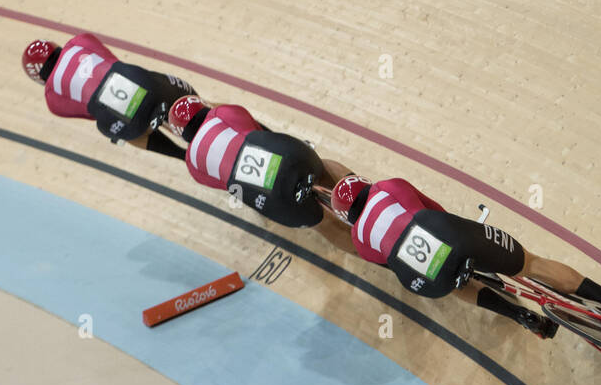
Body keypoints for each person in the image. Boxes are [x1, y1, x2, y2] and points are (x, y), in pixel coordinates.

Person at [330, 174, 601, 339]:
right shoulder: (390, 185)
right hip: (450, 234)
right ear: (366, 184)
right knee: (531, 264)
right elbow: (439, 212)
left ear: (347, 216)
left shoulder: (359, 241)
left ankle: (522, 317)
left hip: (424, 281)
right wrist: (471, 240)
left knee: (458, 285)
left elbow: (393, 262)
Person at [167, 95, 355, 251]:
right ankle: (364, 192)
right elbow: (260, 131)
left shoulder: (193, 165)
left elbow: (228, 185)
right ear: (204, 105)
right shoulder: (221, 112)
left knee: (323, 224)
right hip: (289, 156)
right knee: (323, 166)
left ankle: (369, 255)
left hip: (272, 198)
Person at [22, 34, 193, 155]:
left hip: (119, 119)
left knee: (107, 126)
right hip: (139, 79)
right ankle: (202, 113)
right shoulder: (80, 40)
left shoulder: (52, 100)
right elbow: (111, 58)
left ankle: (182, 155)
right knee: (189, 102)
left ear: (37, 77)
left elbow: (90, 113)